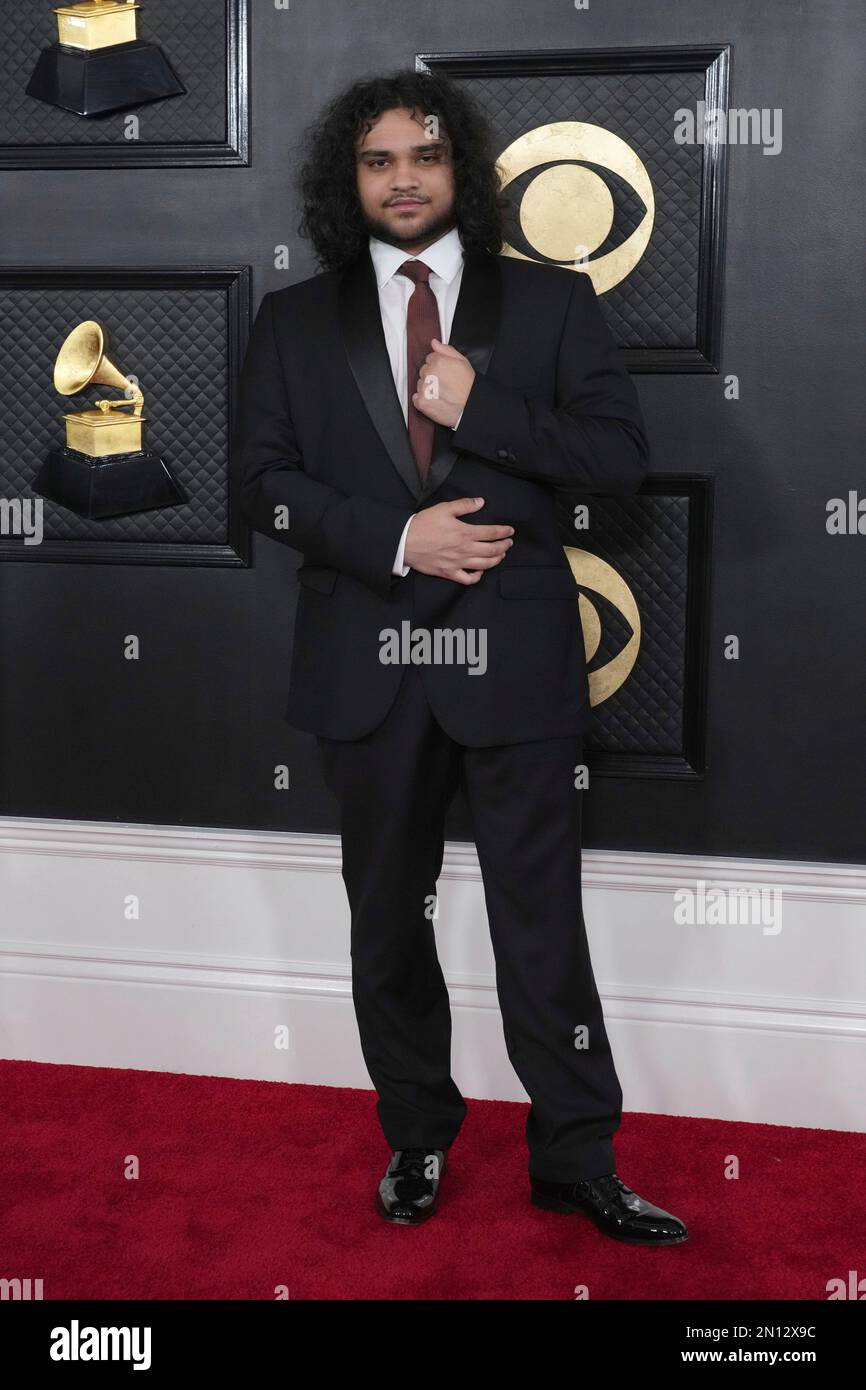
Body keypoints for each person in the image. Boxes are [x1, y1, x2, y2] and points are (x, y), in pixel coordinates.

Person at [237, 69, 687, 1245]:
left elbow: (615, 463)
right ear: (352, 179)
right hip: (365, 660)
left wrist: (480, 406)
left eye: (423, 157)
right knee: (385, 918)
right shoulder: (294, 320)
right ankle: (417, 1139)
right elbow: (262, 488)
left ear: (458, 169)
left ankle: (574, 1156)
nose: (402, 178)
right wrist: (396, 535)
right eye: (378, 160)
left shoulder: (546, 303)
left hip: (516, 664)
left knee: (541, 919)